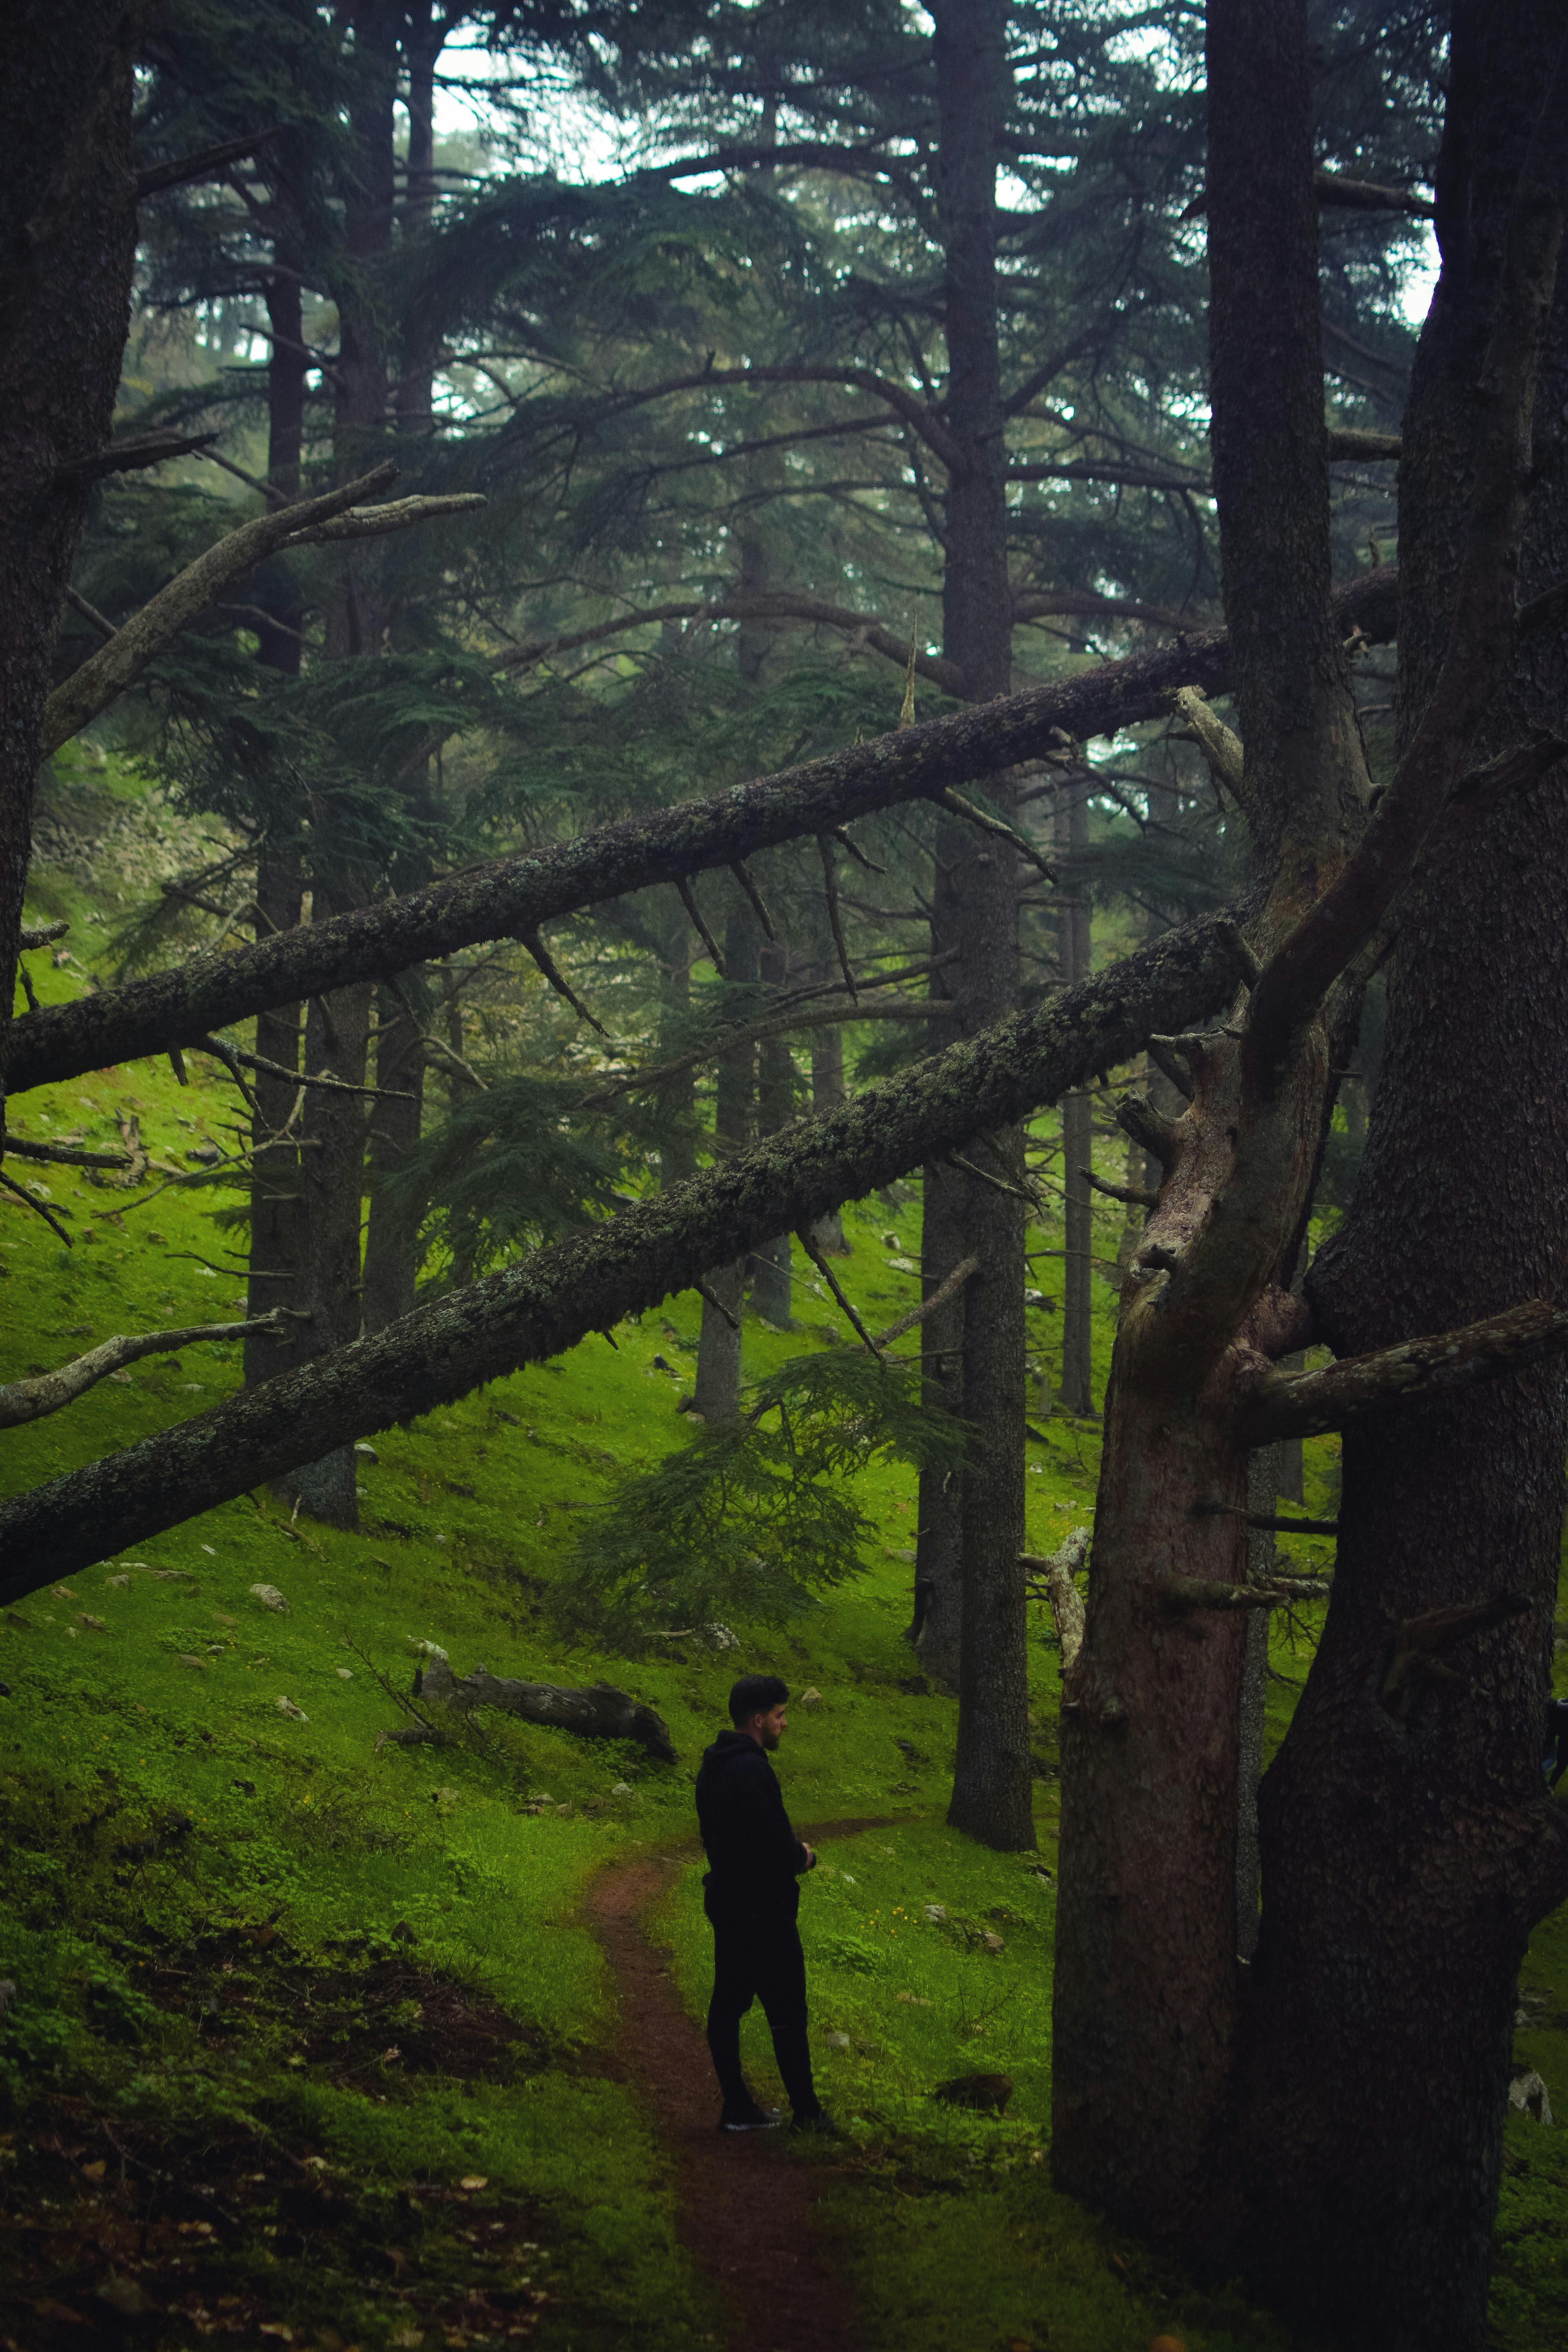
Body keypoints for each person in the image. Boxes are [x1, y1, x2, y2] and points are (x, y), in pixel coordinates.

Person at [694, 1671, 838, 2135]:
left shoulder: (712, 1766)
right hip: (764, 1911)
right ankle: (808, 2114)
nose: (784, 1724)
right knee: (787, 2012)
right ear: (758, 1720)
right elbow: (775, 1843)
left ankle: (737, 2105)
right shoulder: (752, 1770)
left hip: (727, 1902)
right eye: (780, 1715)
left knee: (728, 2004)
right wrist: (803, 1857)